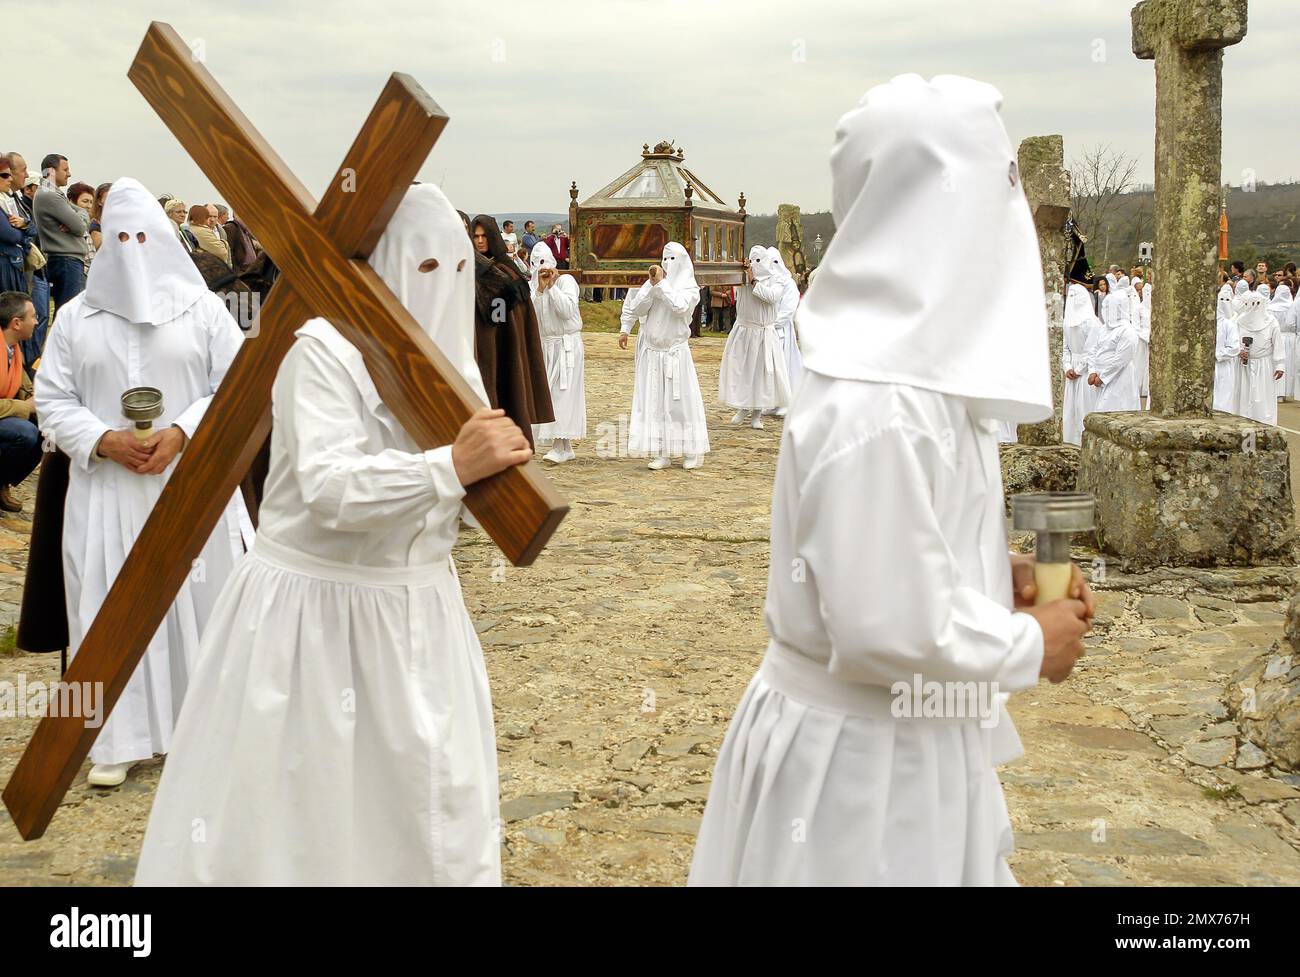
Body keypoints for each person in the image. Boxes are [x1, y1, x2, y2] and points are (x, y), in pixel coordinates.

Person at [689, 75, 1091, 886]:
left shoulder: (922, 380)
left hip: (908, 747)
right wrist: (1026, 645)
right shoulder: (879, 401)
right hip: (858, 776)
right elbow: (879, 621)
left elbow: (899, 550)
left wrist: (991, 573)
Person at [134, 183, 529, 885]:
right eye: (424, 265)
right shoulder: (321, 350)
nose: (440, 286)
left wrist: (482, 479)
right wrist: (452, 466)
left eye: (456, 269)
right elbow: (329, 487)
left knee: (431, 802)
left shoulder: (452, 364)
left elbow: (459, 493)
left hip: (422, 610)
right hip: (316, 617)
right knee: (305, 817)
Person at [32, 177, 250, 789]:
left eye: (142, 235)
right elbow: (53, 400)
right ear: (103, 245)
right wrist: (105, 440)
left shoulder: (204, 309)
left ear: (161, 238)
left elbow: (233, 386)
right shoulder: (76, 318)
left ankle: (206, 728)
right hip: (108, 490)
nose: (131, 249)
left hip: (189, 483)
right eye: (118, 236)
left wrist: (180, 430)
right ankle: (116, 738)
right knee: (106, 602)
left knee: (201, 600)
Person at [463, 215, 553, 453]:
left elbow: (500, 316)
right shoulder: (475, 267)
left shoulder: (503, 270)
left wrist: (495, 335)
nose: (480, 241)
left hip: (499, 342)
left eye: (484, 236)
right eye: (475, 236)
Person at [619, 243, 710, 469]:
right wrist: (652, 286)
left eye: (672, 259)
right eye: (664, 258)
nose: (668, 263)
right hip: (653, 353)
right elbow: (637, 307)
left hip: (675, 353)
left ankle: (691, 449)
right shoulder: (653, 283)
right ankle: (662, 451)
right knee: (655, 402)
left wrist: (662, 285)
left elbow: (679, 307)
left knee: (680, 403)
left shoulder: (689, 287)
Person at [528, 240, 586, 462]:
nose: (539, 268)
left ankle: (561, 445)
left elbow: (566, 310)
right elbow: (530, 316)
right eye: (535, 263)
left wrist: (551, 287)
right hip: (545, 345)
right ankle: (564, 444)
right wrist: (540, 290)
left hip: (566, 344)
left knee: (563, 394)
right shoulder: (533, 289)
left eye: (543, 262)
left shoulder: (566, 282)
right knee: (547, 395)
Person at [718, 245, 788, 428]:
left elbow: (772, 297)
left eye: (759, 260)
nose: (755, 264)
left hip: (764, 333)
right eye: (752, 260)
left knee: (762, 374)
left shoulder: (776, 279)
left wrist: (754, 281)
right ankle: (743, 406)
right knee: (742, 370)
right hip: (744, 331)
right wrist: (739, 272)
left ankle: (757, 413)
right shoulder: (742, 278)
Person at [32, 154, 91, 319]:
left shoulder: (52, 193)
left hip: (66, 259)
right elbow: (80, 227)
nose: (69, 174)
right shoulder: (50, 195)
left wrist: (78, 215)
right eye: (65, 169)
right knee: (68, 315)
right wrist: (79, 216)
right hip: (66, 260)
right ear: (51, 171)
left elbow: (81, 214)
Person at [0, 291, 42, 508]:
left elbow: (25, 388)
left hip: (5, 415)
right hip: (5, 417)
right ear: (16, 323)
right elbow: (25, 402)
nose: (37, 321)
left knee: (47, 432)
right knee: (24, 433)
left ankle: (2, 483)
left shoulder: (13, 349)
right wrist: (25, 406)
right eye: (33, 316)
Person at [1231, 289, 1284, 425]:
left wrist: (1280, 365)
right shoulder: (1239, 321)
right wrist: (1239, 351)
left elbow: (1278, 344)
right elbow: (1233, 340)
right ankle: (1242, 423)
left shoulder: (1272, 322)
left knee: (1262, 397)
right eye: (1252, 303)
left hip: (1264, 365)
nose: (1255, 307)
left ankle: (1265, 424)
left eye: (1258, 303)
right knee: (1244, 395)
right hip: (1244, 365)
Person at [1089, 274, 1139, 411]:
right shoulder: (1104, 329)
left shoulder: (1127, 331)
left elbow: (1121, 359)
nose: (1108, 311)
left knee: (1114, 410)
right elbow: (1094, 349)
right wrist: (1092, 371)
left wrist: (1103, 377)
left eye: (1111, 308)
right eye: (1106, 308)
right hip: (1100, 380)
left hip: (1118, 379)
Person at [766, 247, 804, 417]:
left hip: (782, 330)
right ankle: (772, 401)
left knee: (784, 365)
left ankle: (786, 401)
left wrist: (775, 323)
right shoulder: (766, 282)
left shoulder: (788, 283)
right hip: (768, 329)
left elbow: (788, 308)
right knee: (770, 368)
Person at [1061, 282, 1100, 445]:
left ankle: (1085, 441)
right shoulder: (1067, 323)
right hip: (1074, 371)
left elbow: (1092, 350)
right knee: (1071, 410)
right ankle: (1070, 441)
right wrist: (1067, 366)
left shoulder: (1092, 322)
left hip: (1086, 372)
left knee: (1084, 406)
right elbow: (1065, 348)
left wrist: (1077, 369)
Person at [1214, 293, 1240, 413]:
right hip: (1207, 367)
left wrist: (1218, 355)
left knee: (1223, 397)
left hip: (1223, 366)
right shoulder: (1205, 324)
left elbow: (1234, 348)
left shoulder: (1229, 325)